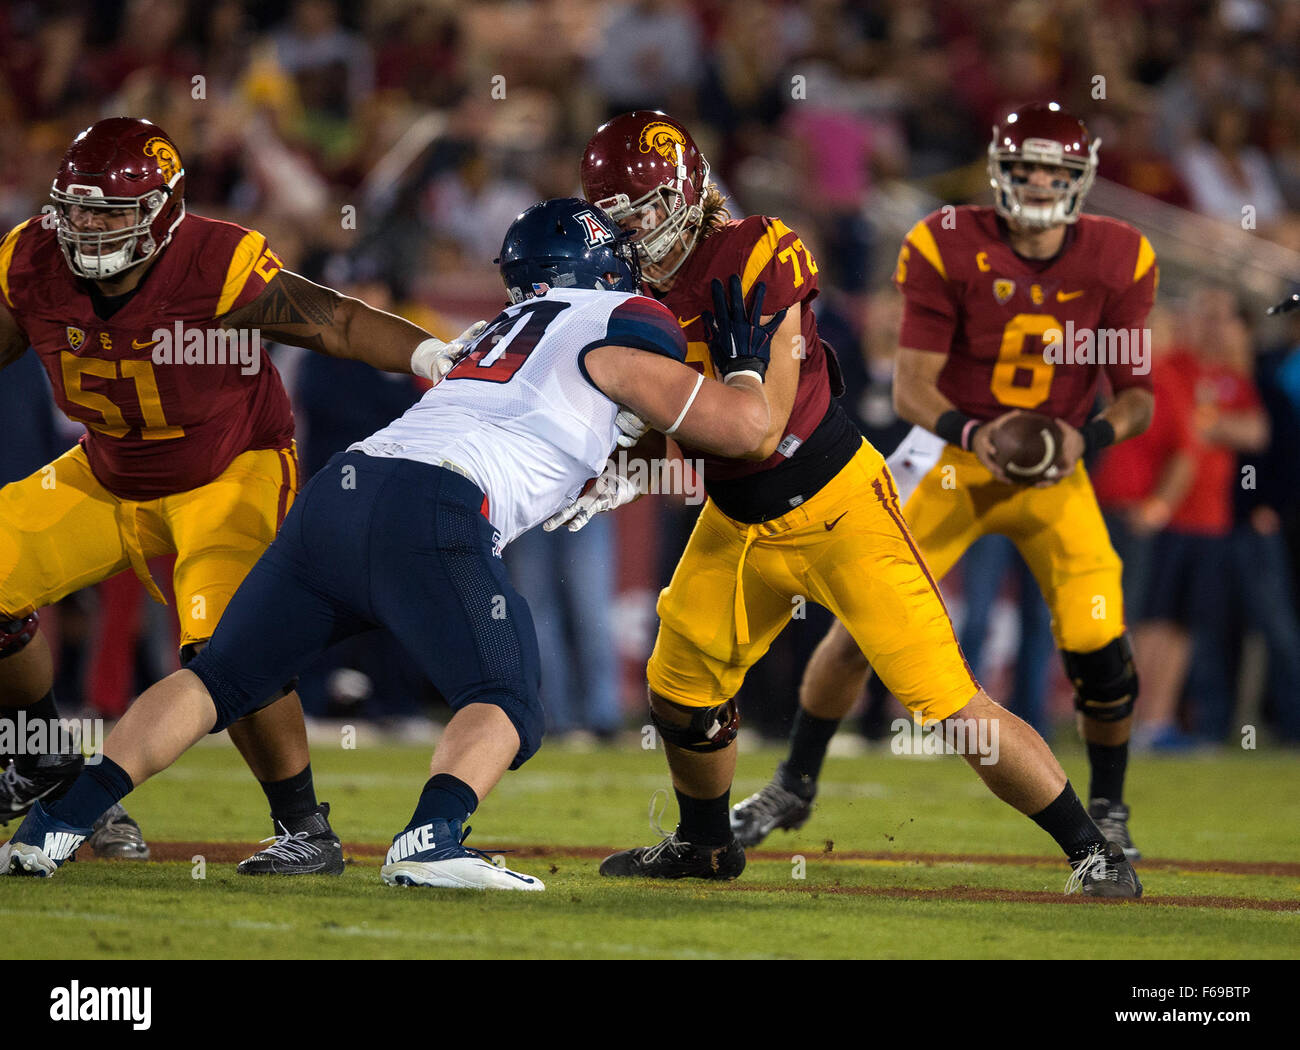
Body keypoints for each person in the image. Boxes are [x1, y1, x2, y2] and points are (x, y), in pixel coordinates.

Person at [0, 198, 781, 891]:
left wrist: (622, 462)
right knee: (506, 698)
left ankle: (55, 824)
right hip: (436, 506)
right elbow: (737, 431)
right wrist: (745, 370)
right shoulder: (626, 320)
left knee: (222, 676)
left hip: (345, 492)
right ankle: (431, 838)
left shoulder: (498, 330)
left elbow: (561, 401)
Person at [574, 109, 1140, 897]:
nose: (639, 230)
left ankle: (1092, 850)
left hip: (839, 506)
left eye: (649, 207)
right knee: (677, 687)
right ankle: (705, 845)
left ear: (691, 188)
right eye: (619, 217)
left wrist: (699, 390)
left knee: (948, 703)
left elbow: (758, 430)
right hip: (737, 520)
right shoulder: (625, 293)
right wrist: (611, 461)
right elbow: (657, 435)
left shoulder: (757, 247)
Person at [0, 117, 475, 873]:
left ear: (161, 213)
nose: (86, 228)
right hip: (108, 470)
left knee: (230, 649)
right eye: (77, 208)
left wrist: (426, 351)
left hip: (228, 469)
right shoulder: (31, 259)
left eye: (110, 213)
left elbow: (335, 320)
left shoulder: (213, 261)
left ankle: (303, 827)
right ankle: (42, 753)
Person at [730, 103, 1156, 861]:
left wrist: (1080, 435)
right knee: (861, 624)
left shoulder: (1120, 256)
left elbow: (1137, 397)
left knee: (1099, 640)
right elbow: (911, 391)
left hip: (1056, 471)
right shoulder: (946, 242)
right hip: (955, 462)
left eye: (1052, 171)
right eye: (1022, 167)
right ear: (997, 170)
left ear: (1079, 179)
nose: (1035, 182)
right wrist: (978, 432)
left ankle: (1111, 806)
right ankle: (795, 779)